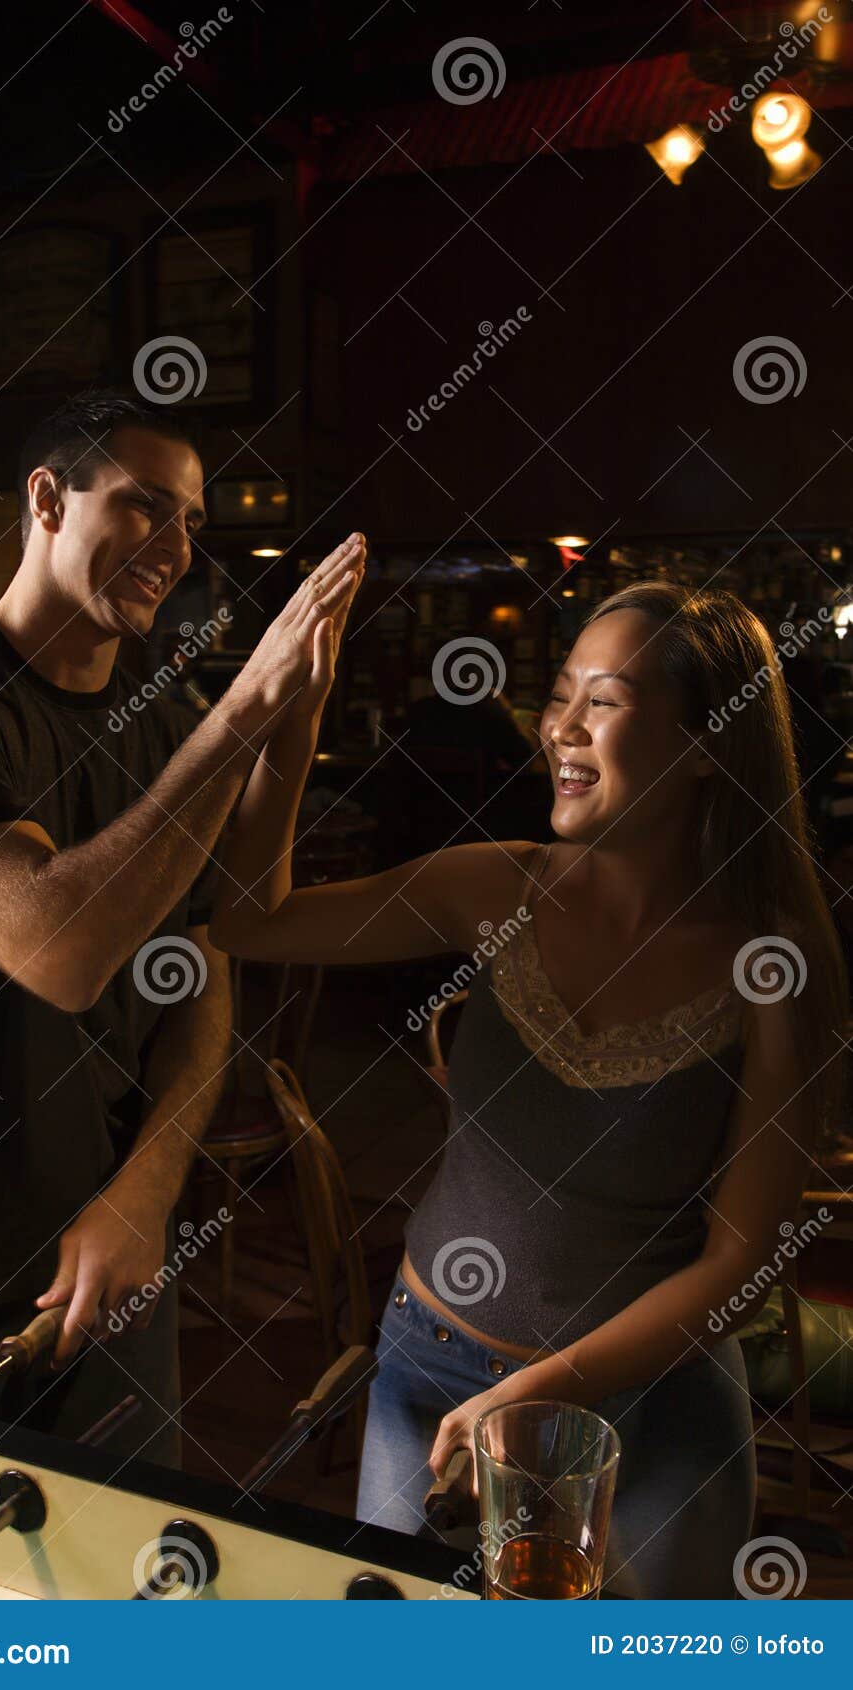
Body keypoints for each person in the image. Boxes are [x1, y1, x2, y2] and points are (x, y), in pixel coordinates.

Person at [210, 576, 849, 1597]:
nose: (560, 727)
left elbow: (739, 1262)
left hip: (647, 1411)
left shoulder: (771, 965)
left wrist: (538, 1390)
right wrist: (295, 713)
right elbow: (250, 920)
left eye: (603, 700)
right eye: (557, 696)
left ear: (705, 742)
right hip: (430, 1377)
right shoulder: (492, 886)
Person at [0, 385, 365, 1463]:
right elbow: (57, 951)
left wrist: (145, 1193)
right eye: (144, 505)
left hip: (107, 1252)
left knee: (127, 1565)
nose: (174, 547)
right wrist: (245, 707)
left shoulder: (162, 724)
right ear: (47, 499)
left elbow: (215, 952)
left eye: (190, 522)